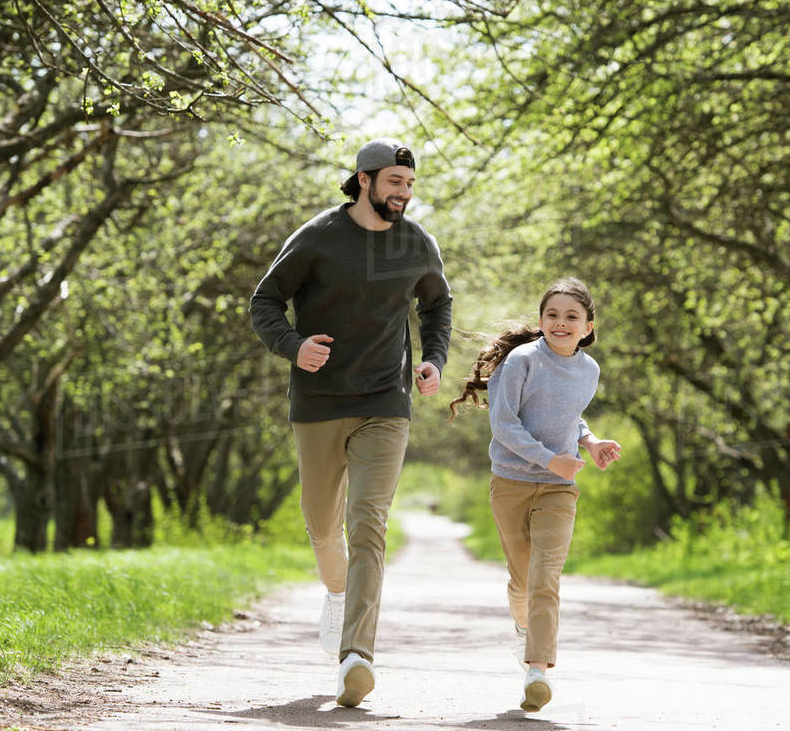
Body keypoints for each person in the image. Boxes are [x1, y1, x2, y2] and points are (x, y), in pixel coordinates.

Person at [250, 138, 452, 708]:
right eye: (394, 182)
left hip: (386, 402)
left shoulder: (417, 243)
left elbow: (437, 305)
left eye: (409, 185)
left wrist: (434, 358)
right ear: (363, 180)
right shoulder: (317, 237)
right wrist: (292, 346)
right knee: (323, 527)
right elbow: (264, 301)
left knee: (369, 523)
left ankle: (356, 656)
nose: (404, 194)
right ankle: (337, 593)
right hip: (318, 401)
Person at [449, 276, 620, 713]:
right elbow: (505, 426)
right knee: (522, 579)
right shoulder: (522, 361)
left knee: (547, 575)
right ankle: (525, 633)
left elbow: (571, 418)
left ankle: (537, 671)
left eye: (571, 317)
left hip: (560, 487)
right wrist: (550, 458)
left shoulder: (590, 369)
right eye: (552, 315)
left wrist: (590, 442)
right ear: (541, 320)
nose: (560, 323)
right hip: (511, 482)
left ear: (587, 326)